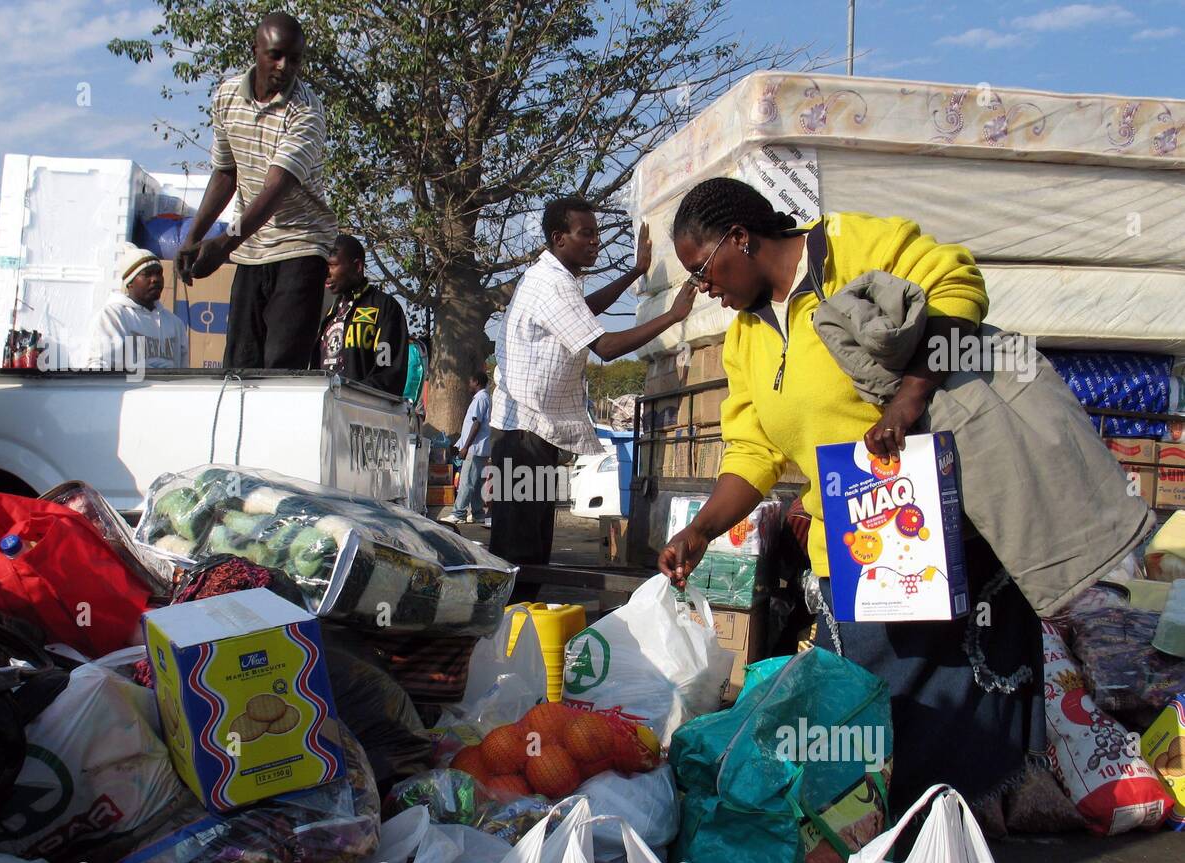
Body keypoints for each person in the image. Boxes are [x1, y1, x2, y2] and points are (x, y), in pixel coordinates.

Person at [658, 176, 1046, 816]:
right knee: (869, 715)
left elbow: (959, 284)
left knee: (937, 717)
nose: (704, 290)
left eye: (703, 271)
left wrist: (909, 397)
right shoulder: (746, 336)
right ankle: (893, 853)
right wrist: (701, 529)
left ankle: (936, 850)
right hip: (853, 547)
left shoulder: (850, 247)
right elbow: (753, 450)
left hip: (935, 532)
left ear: (741, 238)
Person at [491, 195, 695, 602]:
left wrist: (636, 272)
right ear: (558, 238)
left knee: (531, 551)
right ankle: (506, 643)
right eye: (586, 234)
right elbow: (604, 346)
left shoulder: (556, 281)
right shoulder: (550, 283)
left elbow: (583, 312)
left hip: (533, 436)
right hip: (523, 438)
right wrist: (672, 316)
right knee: (518, 556)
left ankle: (519, 635)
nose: (595, 242)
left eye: (597, 234)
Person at [176, 12, 337, 369]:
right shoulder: (227, 96)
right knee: (240, 364)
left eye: (294, 59)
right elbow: (225, 175)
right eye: (276, 55)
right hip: (250, 248)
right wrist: (194, 238)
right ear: (256, 50)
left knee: (280, 366)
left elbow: (275, 187)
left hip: (300, 244)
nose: (284, 66)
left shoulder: (307, 112)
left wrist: (224, 242)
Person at [312, 234, 410, 395]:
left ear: (357, 266)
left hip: (361, 412)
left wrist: (351, 393)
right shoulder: (331, 312)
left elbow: (389, 375)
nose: (326, 273)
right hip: (327, 408)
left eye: (333, 265)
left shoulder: (384, 307)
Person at [77, 244, 188, 371]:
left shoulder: (175, 323)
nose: (155, 279)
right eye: (147, 274)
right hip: (130, 389)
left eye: (159, 273)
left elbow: (183, 375)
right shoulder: (113, 315)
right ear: (130, 282)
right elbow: (101, 366)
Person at [441, 370, 491, 526]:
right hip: (478, 447)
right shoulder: (483, 398)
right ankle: (477, 513)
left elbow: (476, 425)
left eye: (470, 382)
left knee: (467, 481)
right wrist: (459, 445)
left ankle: (459, 513)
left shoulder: (480, 399)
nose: (468, 385)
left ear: (476, 382)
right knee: (475, 483)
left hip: (475, 448)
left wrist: (465, 447)